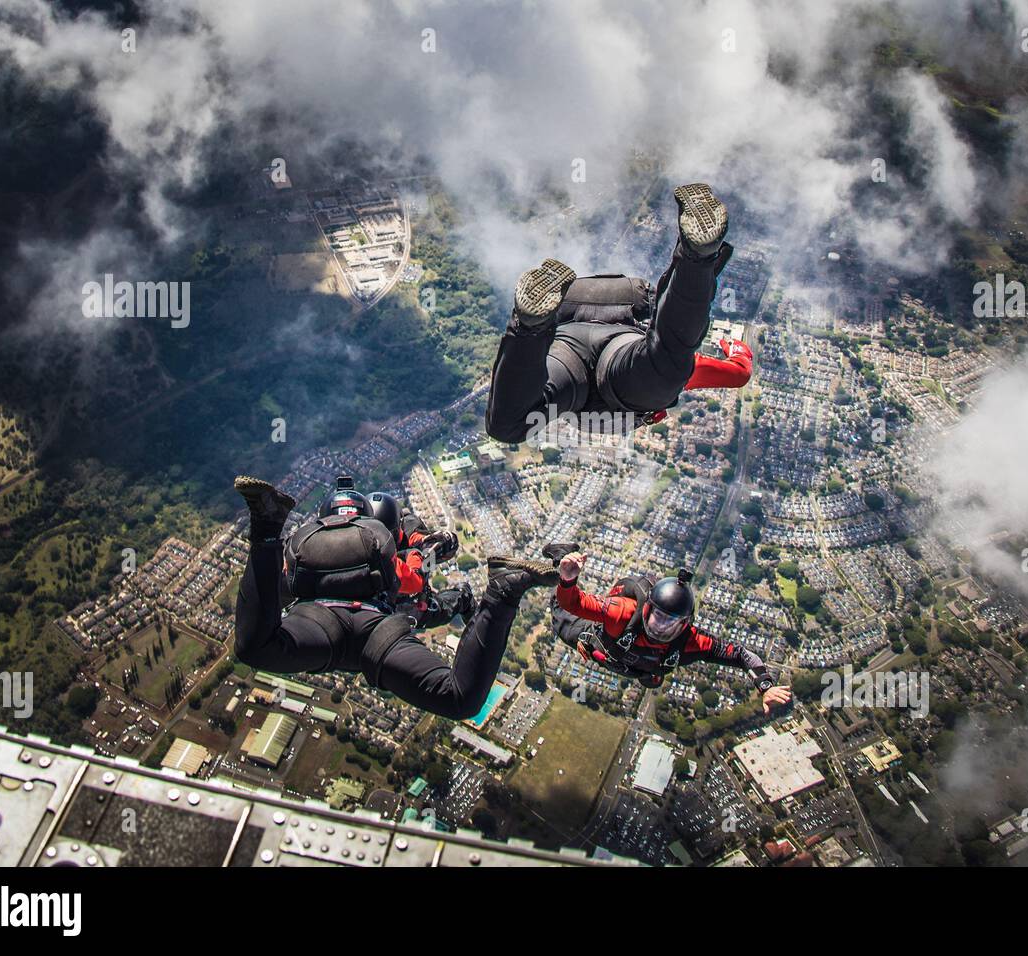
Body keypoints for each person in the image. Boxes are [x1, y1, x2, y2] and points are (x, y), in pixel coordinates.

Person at [233, 475, 556, 720]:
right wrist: (427, 551)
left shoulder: (317, 545)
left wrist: (270, 548)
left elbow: (277, 589)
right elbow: (413, 576)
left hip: (320, 618)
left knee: (256, 648)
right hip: (378, 627)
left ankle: (267, 526)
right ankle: (498, 592)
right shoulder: (389, 537)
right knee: (456, 690)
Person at [485, 183, 753, 443]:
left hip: (587, 317)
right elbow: (736, 373)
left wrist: (736, 350)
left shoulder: (666, 373)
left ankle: (697, 256)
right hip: (586, 322)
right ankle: (528, 328)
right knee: (506, 426)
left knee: (668, 367)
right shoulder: (626, 387)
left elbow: (738, 374)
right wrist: (736, 351)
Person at [544, 547, 792, 713]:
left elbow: (741, 654)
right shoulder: (623, 612)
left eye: (671, 622)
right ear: (647, 609)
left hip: (629, 662)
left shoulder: (690, 641)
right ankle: (563, 556)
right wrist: (567, 579)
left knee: (652, 678)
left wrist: (765, 686)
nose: (661, 627)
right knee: (559, 617)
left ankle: (565, 572)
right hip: (601, 640)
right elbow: (573, 603)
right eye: (658, 617)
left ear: (685, 624)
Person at [319, 477, 466, 627]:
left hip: (398, 606)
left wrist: (434, 548)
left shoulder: (406, 537)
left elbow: (438, 544)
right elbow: (415, 578)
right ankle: (465, 600)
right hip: (386, 607)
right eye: (378, 534)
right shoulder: (376, 557)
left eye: (388, 534)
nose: (384, 540)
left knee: (442, 608)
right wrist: (422, 561)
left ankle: (465, 599)